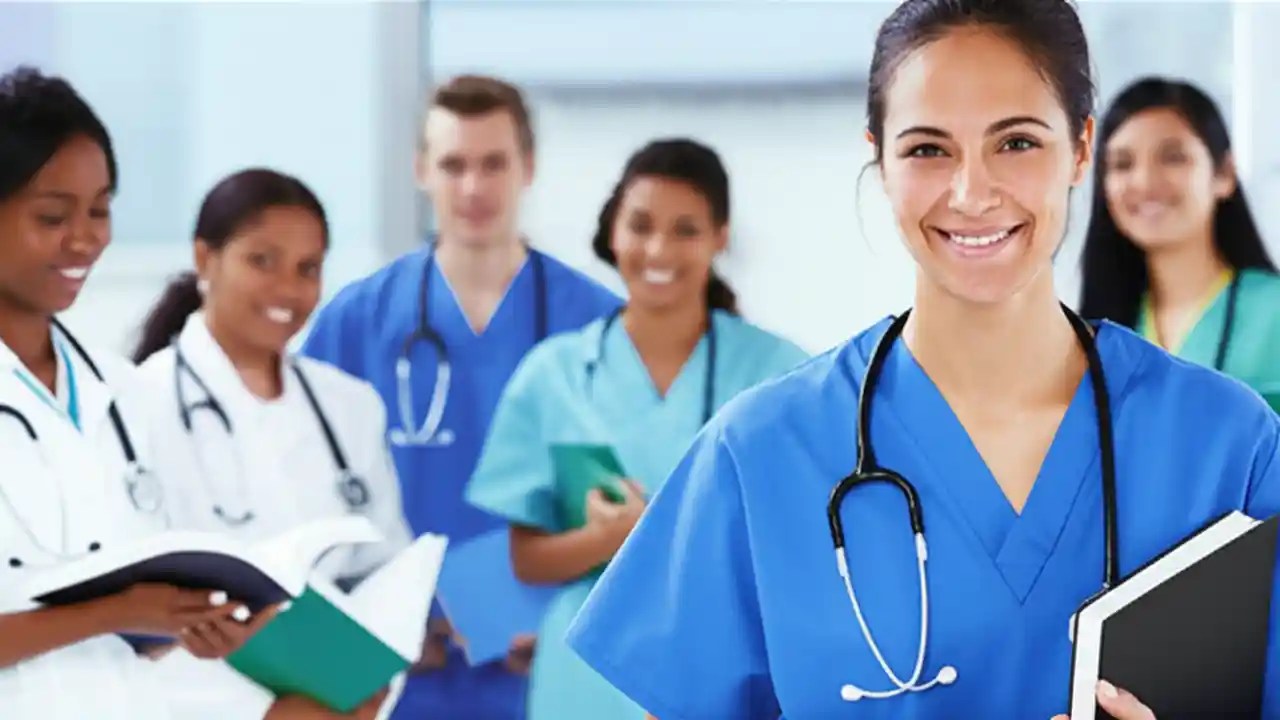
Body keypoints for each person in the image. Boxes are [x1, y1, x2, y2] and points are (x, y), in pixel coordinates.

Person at [563, 2, 1280, 719]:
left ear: (1081, 147)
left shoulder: (1226, 445)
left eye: (1017, 143)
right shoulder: (760, 452)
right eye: (928, 150)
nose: (971, 193)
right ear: (879, 159)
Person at [301, 74, 621, 720]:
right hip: (391, 679)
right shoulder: (355, 322)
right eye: (453, 165)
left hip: (543, 677)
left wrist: (569, 620)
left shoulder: (597, 324)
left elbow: (634, 510)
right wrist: (368, 625)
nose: (473, 188)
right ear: (421, 170)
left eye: (493, 164)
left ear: (528, 167)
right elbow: (299, 507)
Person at [465, 137, 808, 720]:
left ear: (720, 237)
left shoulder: (779, 372)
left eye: (685, 230)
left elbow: (803, 537)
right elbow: (525, 559)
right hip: (584, 668)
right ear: (613, 232)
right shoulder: (555, 374)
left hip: (721, 657)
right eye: (641, 225)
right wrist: (604, 540)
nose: (658, 250)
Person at [0, 66, 268, 719]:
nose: (86, 237)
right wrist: (115, 612)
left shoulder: (120, 390)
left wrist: (188, 623)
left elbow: (133, 633)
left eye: (100, 210)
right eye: (53, 216)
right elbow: (111, 612)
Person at [127, 168, 412, 719]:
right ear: (205, 258)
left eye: (308, 269)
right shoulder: (137, 404)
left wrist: (369, 691)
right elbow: (136, 625)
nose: (288, 289)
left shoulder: (350, 406)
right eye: (263, 261)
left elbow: (387, 574)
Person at [1079, 77, 1280, 407]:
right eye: (1122, 164)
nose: (1145, 182)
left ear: (1224, 174)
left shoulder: (1272, 310)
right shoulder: (1097, 334)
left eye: (1173, 157)